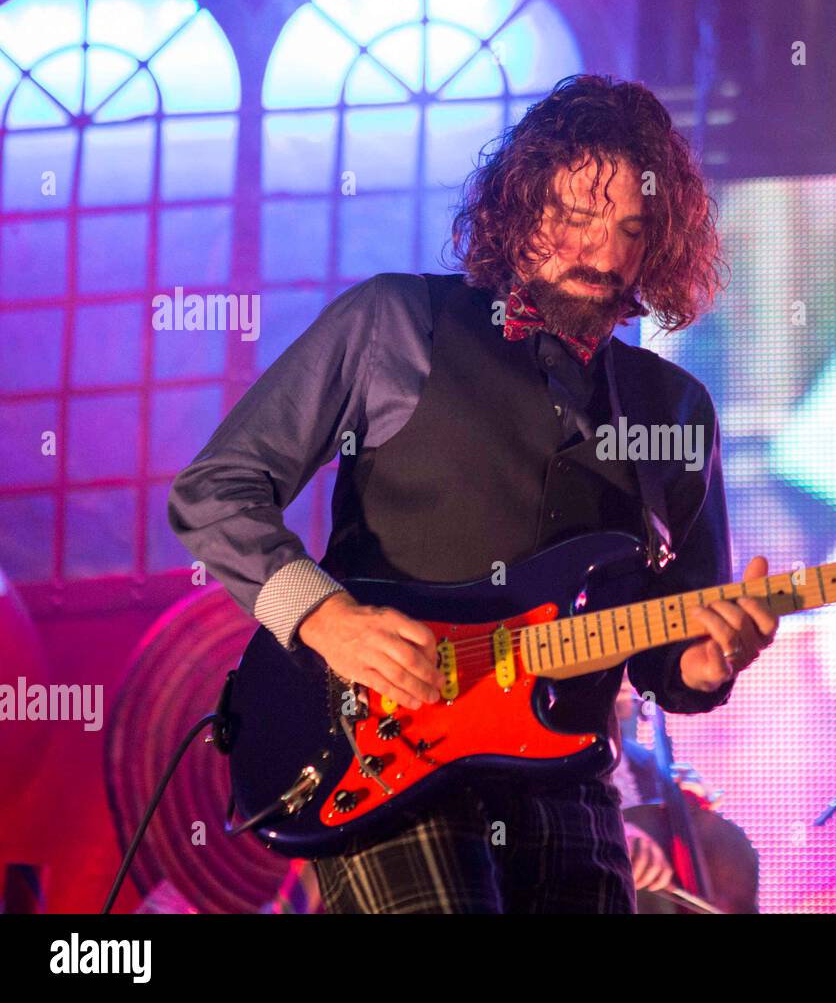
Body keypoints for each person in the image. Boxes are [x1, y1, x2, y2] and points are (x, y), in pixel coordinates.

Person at [168, 73, 779, 913]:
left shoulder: (675, 409)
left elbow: (670, 648)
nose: (604, 254)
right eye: (577, 217)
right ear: (518, 210)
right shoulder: (395, 321)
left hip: (567, 780)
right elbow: (216, 490)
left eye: (631, 229)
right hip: (382, 747)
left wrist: (706, 661)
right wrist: (325, 618)